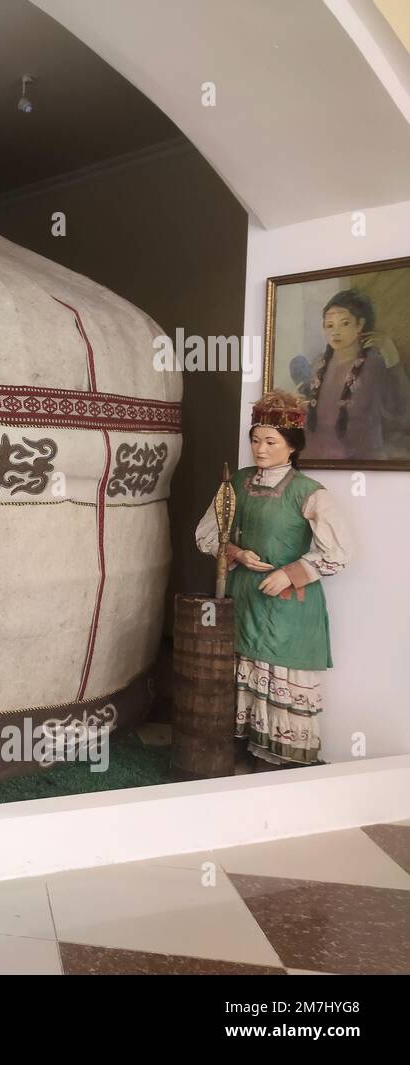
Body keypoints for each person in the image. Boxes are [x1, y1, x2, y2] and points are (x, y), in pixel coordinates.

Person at [194, 391, 351, 767]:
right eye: (255, 440)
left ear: (292, 447)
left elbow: (339, 552)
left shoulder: (309, 492)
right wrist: (236, 553)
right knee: (239, 672)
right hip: (242, 596)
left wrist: (290, 573)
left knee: (278, 671)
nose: (259, 450)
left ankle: (278, 759)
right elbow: (205, 534)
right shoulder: (236, 483)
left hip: (286, 605)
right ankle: (240, 749)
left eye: (270, 442)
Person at [302, 289, 410, 461]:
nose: (335, 332)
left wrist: (392, 355)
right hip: (315, 459)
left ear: (360, 324)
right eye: (329, 325)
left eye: (344, 323)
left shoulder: (375, 364)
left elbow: (400, 410)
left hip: (364, 459)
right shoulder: (317, 364)